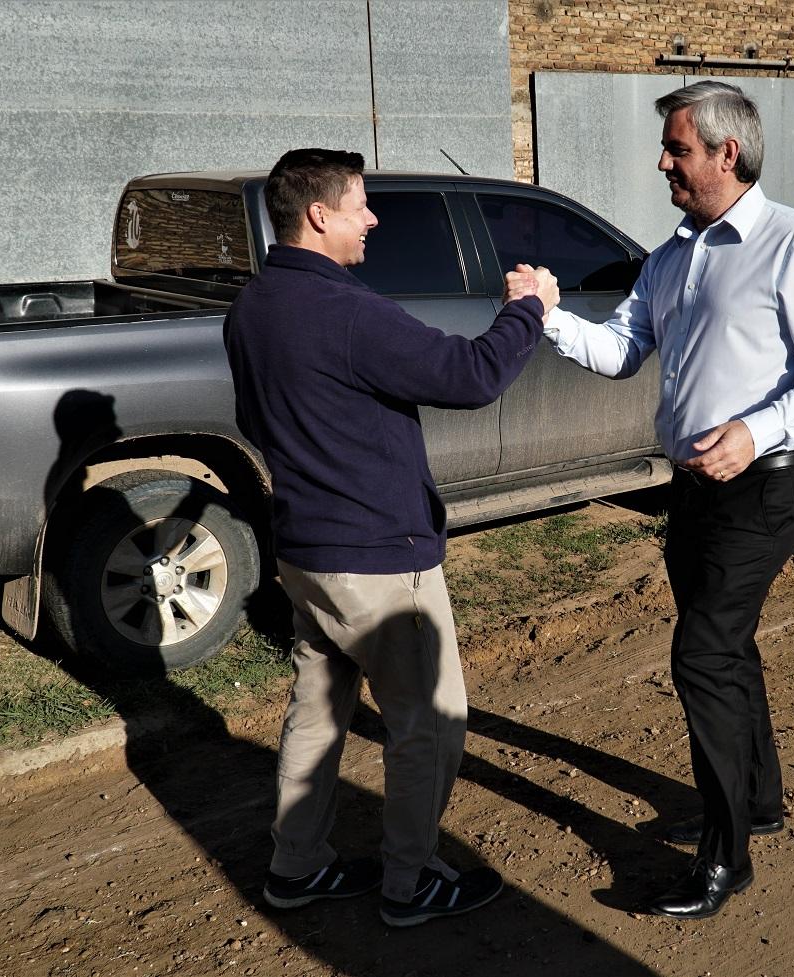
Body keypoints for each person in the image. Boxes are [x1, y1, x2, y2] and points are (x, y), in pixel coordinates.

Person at [507, 81, 794, 919]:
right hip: (693, 492)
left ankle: (724, 857)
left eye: (676, 148)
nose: (662, 162)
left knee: (701, 654)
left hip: (769, 485)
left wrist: (759, 428)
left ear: (725, 153)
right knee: (727, 648)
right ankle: (760, 800)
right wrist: (550, 315)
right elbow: (622, 349)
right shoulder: (671, 256)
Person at [224, 148, 560, 927]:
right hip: (376, 558)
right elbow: (472, 377)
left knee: (318, 704)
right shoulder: (347, 313)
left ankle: (296, 864)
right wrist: (529, 307)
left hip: (306, 552)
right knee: (430, 722)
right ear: (319, 215)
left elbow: (254, 419)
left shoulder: (254, 305)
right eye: (360, 204)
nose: (373, 218)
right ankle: (410, 882)